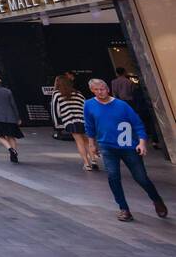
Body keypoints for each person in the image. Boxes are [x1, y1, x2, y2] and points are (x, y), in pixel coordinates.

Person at [85, 78, 167, 222]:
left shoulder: (121, 105)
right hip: (107, 147)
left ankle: (156, 199)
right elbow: (90, 126)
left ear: (108, 89)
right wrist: (92, 144)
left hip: (128, 146)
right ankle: (124, 209)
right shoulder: (89, 105)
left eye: (102, 89)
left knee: (141, 178)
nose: (100, 92)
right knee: (113, 177)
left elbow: (138, 124)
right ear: (92, 91)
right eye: (96, 90)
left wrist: (142, 142)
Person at [52, 73, 97, 171]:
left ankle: (86, 164)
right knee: (86, 140)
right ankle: (94, 160)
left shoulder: (57, 94)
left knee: (79, 142)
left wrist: (57, 124)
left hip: (70, 120)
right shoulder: (78, 93)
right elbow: (85, 105)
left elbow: (55, 110)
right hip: (83, 119)